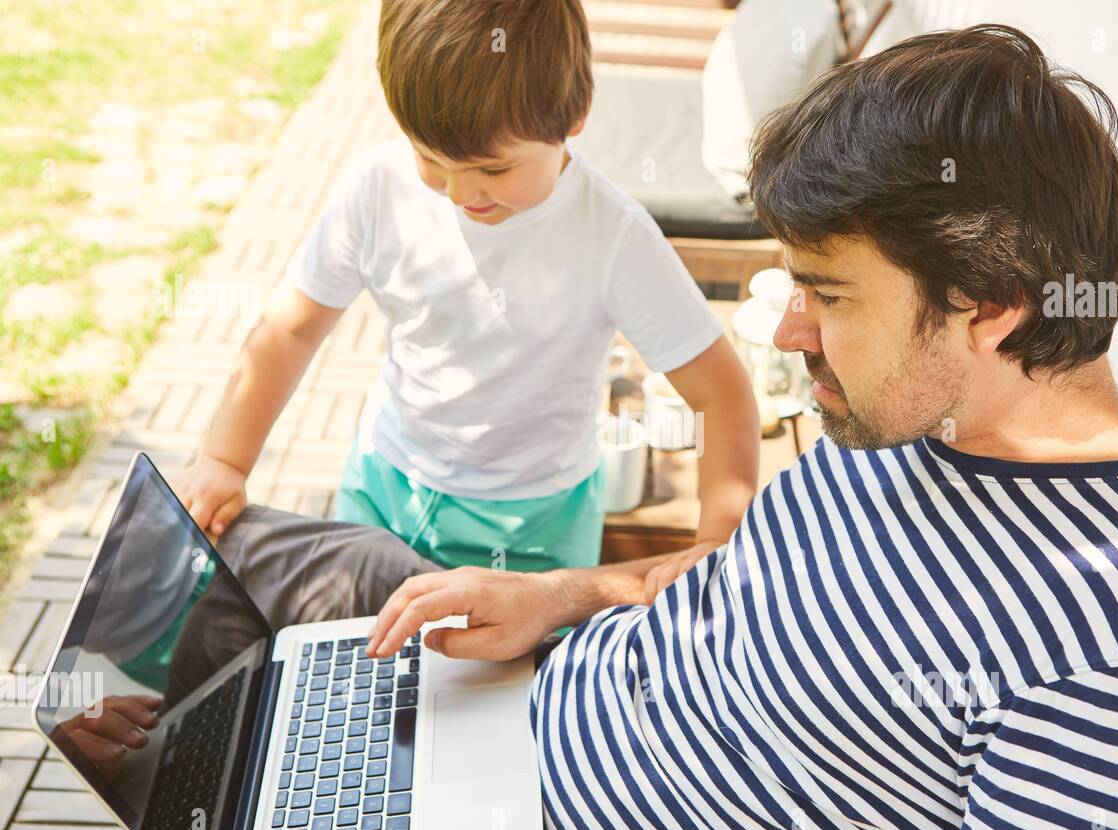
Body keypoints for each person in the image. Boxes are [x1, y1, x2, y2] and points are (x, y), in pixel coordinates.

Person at [192, 24, 1118, 830]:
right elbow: (735, 583)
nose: (786, 330)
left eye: (825, 294)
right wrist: (558, 596)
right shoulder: (910, 420)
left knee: (247, 770)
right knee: (212, 569)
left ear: (990, 306)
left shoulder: (1117, 649)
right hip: (533, 688)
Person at [172, 0, 760, 594]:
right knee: (357, 665)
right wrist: (226, 460)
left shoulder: (614, 237)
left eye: (492, 169)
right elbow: (289, 331)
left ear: (575, 113)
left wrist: (715, 541)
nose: (459, 192)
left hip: (533, 528)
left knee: (501, 682)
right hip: (384, 488)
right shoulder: (377, 188)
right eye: (430, 158)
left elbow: (720, 393)